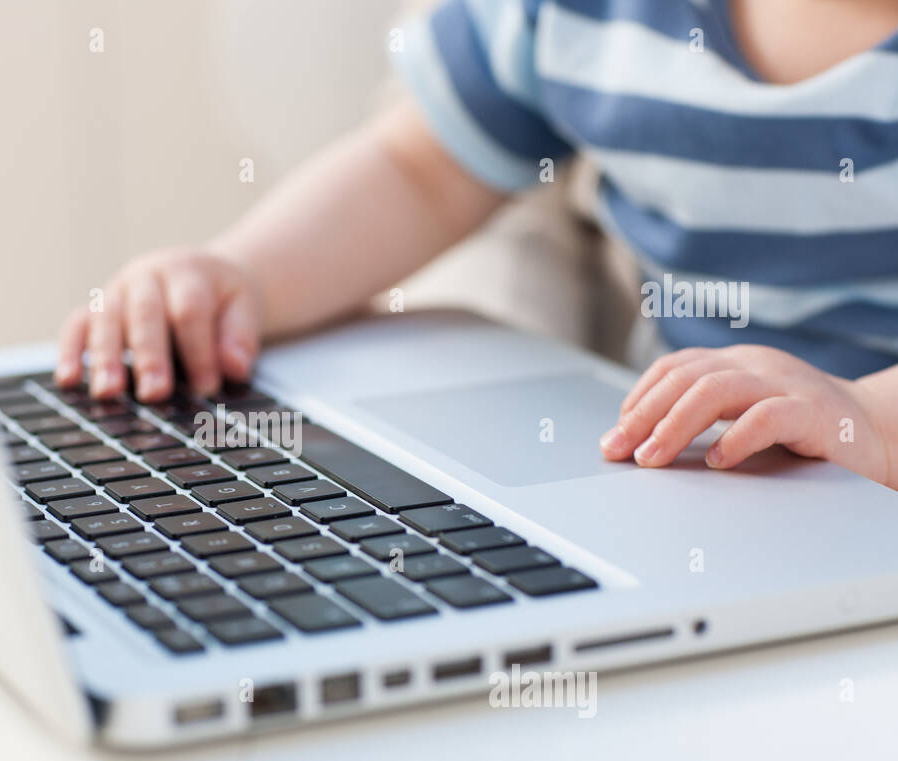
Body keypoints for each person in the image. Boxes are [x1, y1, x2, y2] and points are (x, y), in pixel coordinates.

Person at [54, 0, 898, 489]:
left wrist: (865, 421)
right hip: (698, 489)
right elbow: (418, 167)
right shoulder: (576, 17)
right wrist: (243, 275)